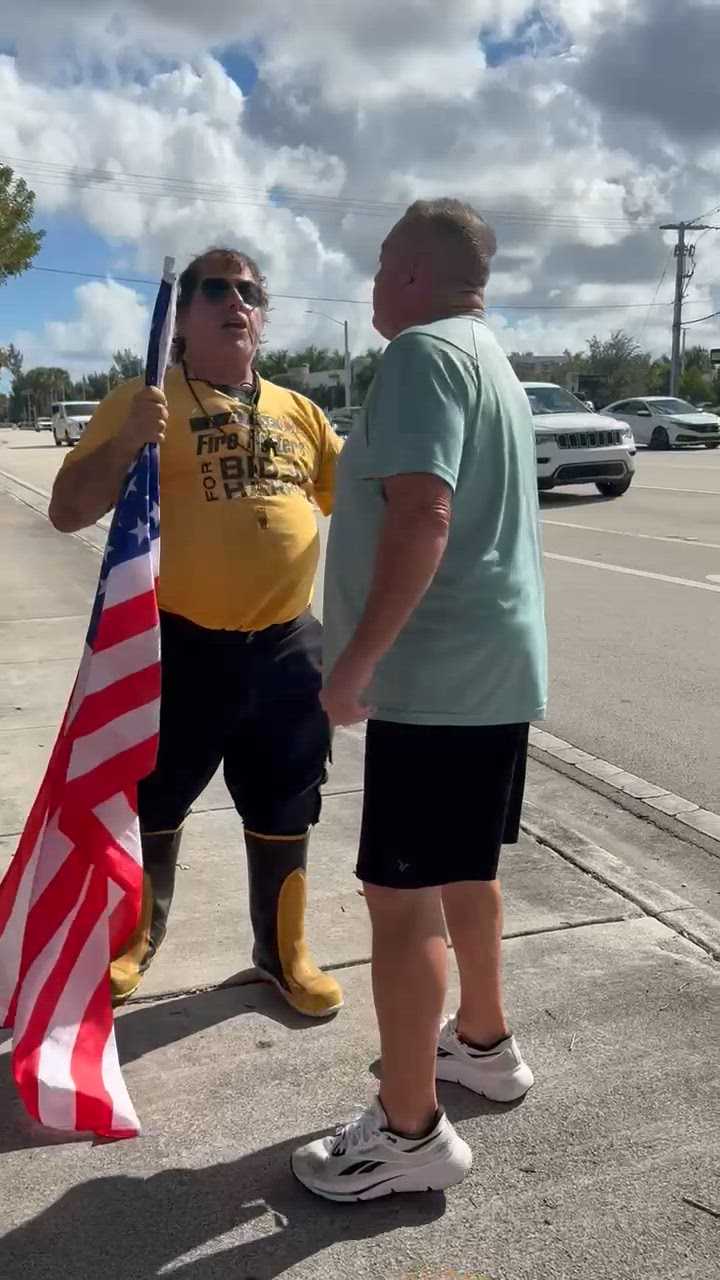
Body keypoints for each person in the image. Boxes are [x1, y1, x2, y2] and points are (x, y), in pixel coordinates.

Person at [291, 199, 547, 1200]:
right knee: (464, 870)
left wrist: (353, 662)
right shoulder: (496, 363)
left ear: (407, 270)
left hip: (435, 681)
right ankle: (482, 1041)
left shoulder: (420, 357)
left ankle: (408, 1132)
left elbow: (424, 510)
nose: (371, 277)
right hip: (490, 672)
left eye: (378, 259)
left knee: (401, 907)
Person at [49, 247, 344, 1020]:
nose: (236, 300)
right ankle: (134, 940)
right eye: (217, 287)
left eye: (251, 290)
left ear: (263, 316)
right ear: (182, 316)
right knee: (156, 798)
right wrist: (123, 445)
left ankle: (282, 954)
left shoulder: (300, 411)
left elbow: (359, 504)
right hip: (178, 645)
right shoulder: (144, 398)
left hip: (287, 650)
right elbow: (68, 509)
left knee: (288, 802)